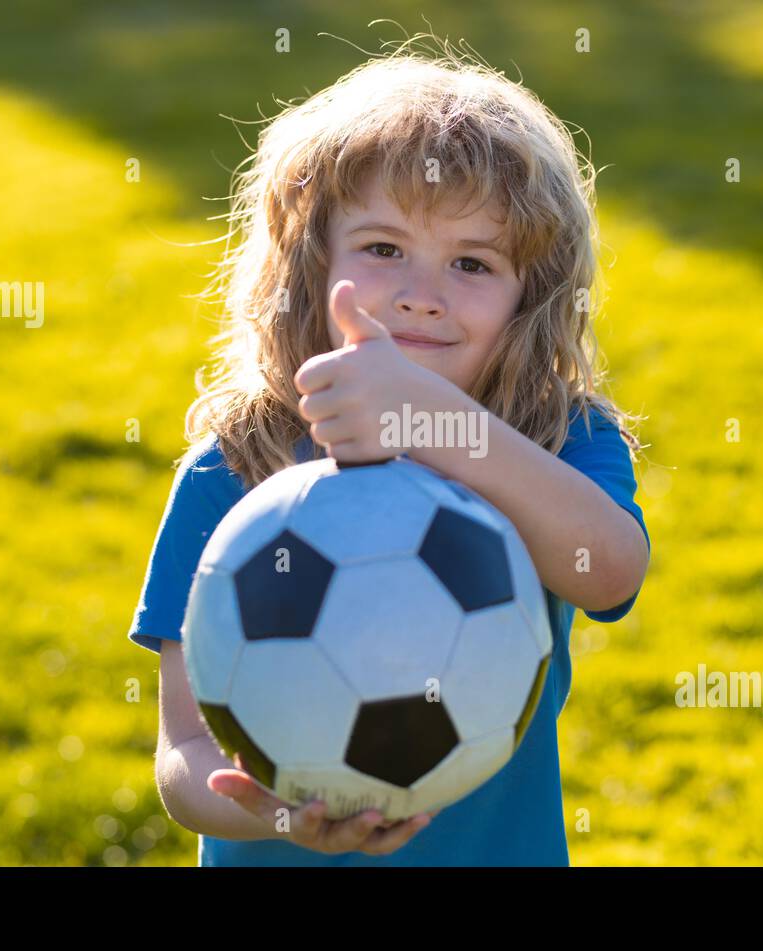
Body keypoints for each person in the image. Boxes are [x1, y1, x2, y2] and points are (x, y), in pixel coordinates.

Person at [128, 40, 651, 866]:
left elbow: (611, 569)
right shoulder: (235, 467)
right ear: (310, 265)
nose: (421, 293)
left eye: (472, 262)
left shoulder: (557, 439)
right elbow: (184, 753)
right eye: (382, 249)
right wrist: (277, 815)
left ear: (532, 299)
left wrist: (436, 423)